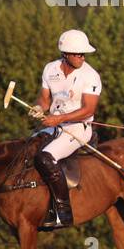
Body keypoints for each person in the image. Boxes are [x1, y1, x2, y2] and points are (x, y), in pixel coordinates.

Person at [30, 29, 102, 230]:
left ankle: (63, 212)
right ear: (65, 54)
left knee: (45, 157)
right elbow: (45, 100)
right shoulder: (50, 69)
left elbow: (88, 109)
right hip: (55, 125)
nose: (82, 56)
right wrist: (38, 108)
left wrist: (59, 118)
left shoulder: (91, 76)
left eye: (83, 53)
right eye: (77, 53)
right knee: (27, 149)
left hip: (79, 128)